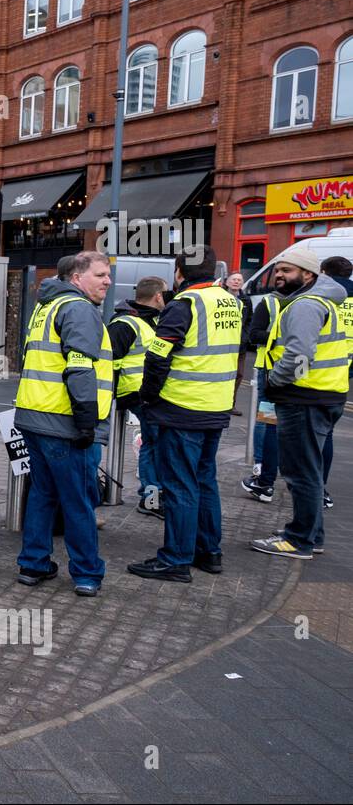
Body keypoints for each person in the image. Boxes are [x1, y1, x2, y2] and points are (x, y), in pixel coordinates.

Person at [128, 248, 240, 583]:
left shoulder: (184, 305)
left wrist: (148, 396)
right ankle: (209, 552)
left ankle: (175, 558)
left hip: (182, 408)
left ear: (179, 272)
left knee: (179, 485)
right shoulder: (230, 301)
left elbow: (158, 356)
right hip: (215, 406)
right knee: (205, 480)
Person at [14, 251, 112, 598]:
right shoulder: (80, 309)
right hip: (65, 422)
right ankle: (87, 573)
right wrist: (87, 421)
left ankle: (33, 564)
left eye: (107, 275)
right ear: (76, 278)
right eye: (100, 274)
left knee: (44, 494)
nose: (107, 281)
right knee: (78, 501)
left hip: (34, 416)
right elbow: (80, 367)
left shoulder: (47, 306)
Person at [250, 247, 349, 559]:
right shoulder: (319, 301)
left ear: (308, 275)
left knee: (300, 472)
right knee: (312, 470)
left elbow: (299, 355)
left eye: (288, 270)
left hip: (304, 398)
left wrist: (276, 380)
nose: (279, 275)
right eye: (278, 270)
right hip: (322, 395)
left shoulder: (304, 305)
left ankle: (299, 540)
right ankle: (311, 534)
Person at [107, 275, 165, 519]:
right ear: (158, 296)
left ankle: (153, 498)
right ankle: (151, 500)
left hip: (147, 393)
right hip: (135, 394)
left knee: (155, 444)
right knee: (155, 445)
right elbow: (109, 362)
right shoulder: (125, 324)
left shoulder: (152, 320)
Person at [318, 255, 353, 507]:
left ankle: (313, 490)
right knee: (328, 434)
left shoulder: (325, 298)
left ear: (323, 272)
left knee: (310, 438)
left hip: (318, 373)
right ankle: (322, 488)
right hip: (344, 372)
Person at [242, 284, 281, 502]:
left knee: (274, 423)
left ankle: (267, 475)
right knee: (268, 421)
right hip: (270, 374)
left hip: (296, 376)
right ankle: (261, 464)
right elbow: (254, 334)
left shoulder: (309, 301)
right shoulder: (270, 302)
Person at [225, 271, 252, 415]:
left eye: (239, 280)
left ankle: (231, 404)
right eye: (234, 279)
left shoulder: (246, 300)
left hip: (240, 344)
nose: (236, 282)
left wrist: (244, 337)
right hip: (223, 344)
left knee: (239, 374)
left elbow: (249, 321)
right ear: (227, 282)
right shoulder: (220, 297)